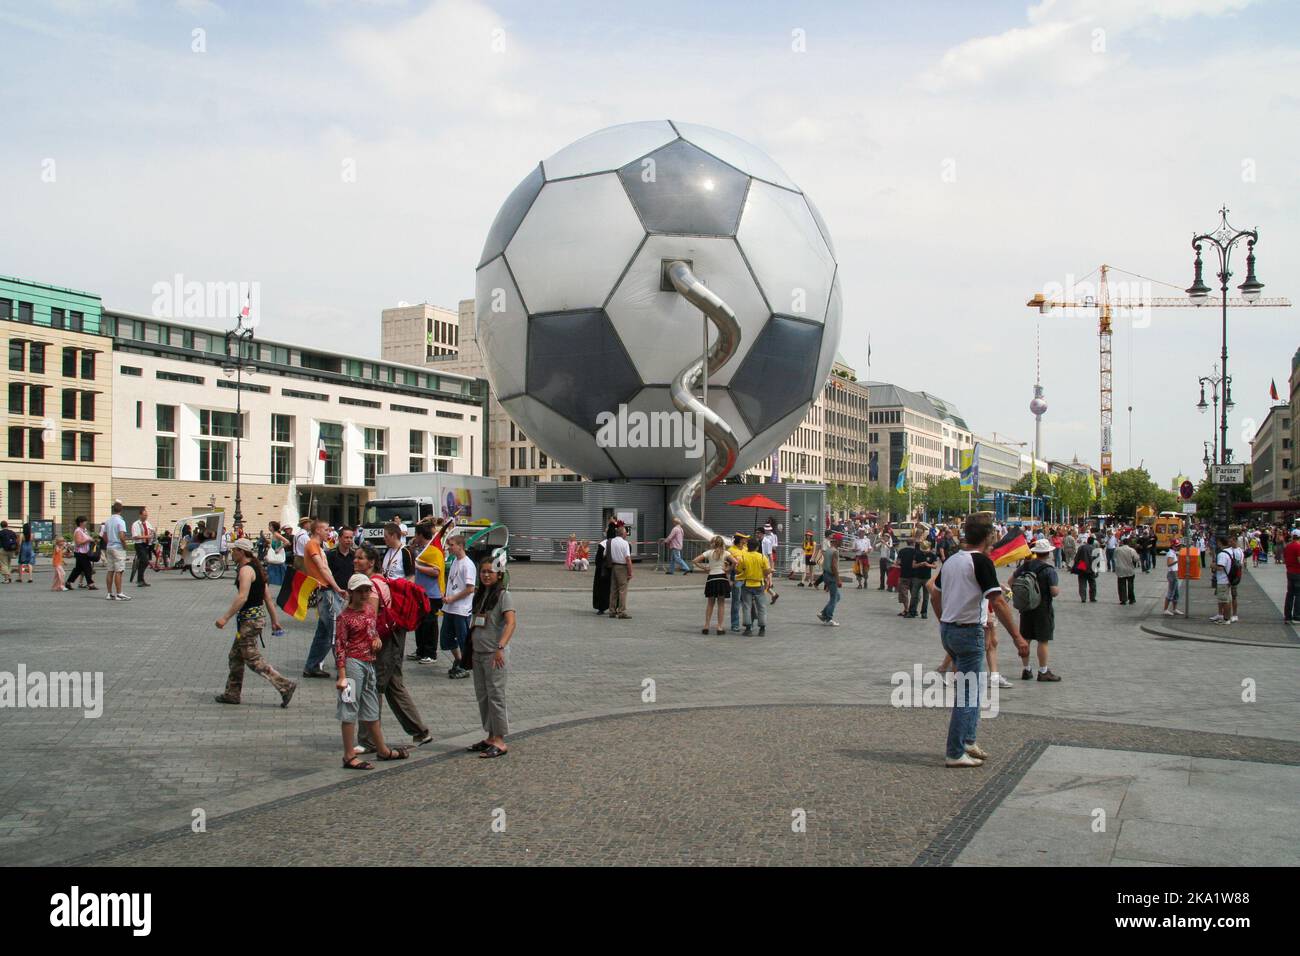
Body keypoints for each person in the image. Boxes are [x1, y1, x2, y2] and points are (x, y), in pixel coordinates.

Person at [928, 517, 1029, 768]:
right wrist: (1017, 637)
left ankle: (968, 740)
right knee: (968, 694)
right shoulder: (980, 561)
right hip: (968, 632)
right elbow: (998, 601)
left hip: (950, 631)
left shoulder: (952, 560)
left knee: (977, 686)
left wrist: (944, 620)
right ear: (988, 537)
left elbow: (934, 593)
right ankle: (954, 751)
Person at [352, 545, 432, 751]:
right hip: (393, 637)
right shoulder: (377, 580)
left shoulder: (371, 584)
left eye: (360, 558)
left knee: (374, 686)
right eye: (355, 558)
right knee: (393, 685)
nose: (356, 561)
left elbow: (369, 619)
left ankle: (368, 740)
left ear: (371, 562)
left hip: (383, 640)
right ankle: (419, 731)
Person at [333, 574, 408, 770]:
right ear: (351, 593)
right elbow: (339, 646)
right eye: (360, 591)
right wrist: (342, 675)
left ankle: (381, 748)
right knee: (349, 707)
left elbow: (372, 633)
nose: (365, 594)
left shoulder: (368, 610)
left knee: (371, 706)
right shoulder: (344, 617)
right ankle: (349, 755)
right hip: (352, 665)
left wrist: (377, 641)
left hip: (369, 663)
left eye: (367, 590)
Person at [213, 539, 296, 708]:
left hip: (249, 621)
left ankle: (285, 685)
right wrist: (274, 620)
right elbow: (267, 597)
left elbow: (242, 597)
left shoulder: (246, 570)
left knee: (252, 659)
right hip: (255, 619)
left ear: (242, 552)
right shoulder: (257, 568)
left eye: (234, 550)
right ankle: (232, 693)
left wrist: (225, 618)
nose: (232, 553)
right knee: (236, 656)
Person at [467, 559, 516, 759]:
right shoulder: (480, 595)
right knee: (483, 695)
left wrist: (500, 646)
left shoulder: (504, 595)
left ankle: (499, 739)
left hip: (494, 653)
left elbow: (511, 623)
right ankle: (489, 735)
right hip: (478, 651)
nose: (486, 575)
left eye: (490, 572)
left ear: (499, 575)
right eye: (483, 572)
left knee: (496, 695)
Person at [301, 519, 349, 678]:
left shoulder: (317, 546)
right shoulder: (312, 545)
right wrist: (336, 587)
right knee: (336, 631)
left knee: (323, 633)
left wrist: (335, 588)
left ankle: (312, 666)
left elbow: (324, 568)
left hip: (326, 591)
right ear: (317, 531)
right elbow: (322, 568)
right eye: (326, 530)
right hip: (325, 591)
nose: (329, 532)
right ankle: (343, 669)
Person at [1011, 539, 1062, 681]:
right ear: (1048, 553)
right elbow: (1054, 592)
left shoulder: (1026, 566)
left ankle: (1026, 669)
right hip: (1042, 608)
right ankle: (1043, 671)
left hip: (1026, 607)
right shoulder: (1049, 570)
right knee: (1042, 640)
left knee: (1025, 639)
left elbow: (1011, 581)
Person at [409, 521, 444, 665]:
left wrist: (417, 566)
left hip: (432, 594)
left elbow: (436, 571)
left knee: (430, 623)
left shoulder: (433, 550)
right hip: (420, 592)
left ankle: (431, 653)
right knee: (420, 623)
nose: (414, 538)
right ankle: (420, 650)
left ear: (419, 534)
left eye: (415, 535)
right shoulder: (421, 549)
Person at [441, 534, 476, 677]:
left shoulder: (468, 564)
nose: (449, 548)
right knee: (446, 638)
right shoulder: (455, 561)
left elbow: (470, 588)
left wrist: (453, 598)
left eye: (452, 545)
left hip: (461, 609)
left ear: (460, 546)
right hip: (450, 607)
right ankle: (459, 660)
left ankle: (465, 666)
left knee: (463, 639)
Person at [692, 535, 737, 635]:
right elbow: (735, 562)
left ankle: (706, 626)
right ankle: (719, 627)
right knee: (721, 604)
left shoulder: (708, 553)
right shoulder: (726, 553)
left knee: (710, 603)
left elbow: (695, 560)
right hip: (721, 578)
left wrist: (704, 568)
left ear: (713, 543)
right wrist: (728, 569)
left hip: (712, 578)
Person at [737, 535, 770, 636]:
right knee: (761, 606)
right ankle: (762, 629)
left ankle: (748, 628)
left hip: (747, 584)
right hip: (759, 584)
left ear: (748, 546)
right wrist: (764, 577)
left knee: (747, 606)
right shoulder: (762, 557)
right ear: (757, 547)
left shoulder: (743, 557)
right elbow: (767, 570)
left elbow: (739, 569)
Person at [102, 501, 131, 601]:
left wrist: (109, 542)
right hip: (118, 547)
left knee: (110, 570)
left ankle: (109, 593)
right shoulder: (121, 521)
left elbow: (104, 535)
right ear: (121, 510)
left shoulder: (108, 521)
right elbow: (122, 536)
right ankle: (119, 593)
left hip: (109, 546)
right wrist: (125, 546)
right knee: (119, 570)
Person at [1211, 532, 1239, 625]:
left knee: (1224, 600)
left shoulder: (1222, 554)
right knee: (1227, 599)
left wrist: (1213, 565)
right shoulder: (1231, 551)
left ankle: (1226, 619)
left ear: (1219, 542)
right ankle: (1227, 617)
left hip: (1223, 580)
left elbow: (1220, 567)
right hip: (1229, 579)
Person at [907, 540, 939, 619]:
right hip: (917, 577)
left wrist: (927, 565)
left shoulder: (932, 555)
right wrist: (920, 564)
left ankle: (924, 613)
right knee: (914, 596)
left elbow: (935, 566)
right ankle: (912, 612)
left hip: (927, 578)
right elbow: (913, 565)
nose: (924, 552)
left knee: (926, 597)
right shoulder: (917, 554)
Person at [607, 520, 633, 619]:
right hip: (622, 567)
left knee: (613, 590)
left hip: (613, 566)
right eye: (626, 533)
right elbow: (628, 558)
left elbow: (606, 554)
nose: (626, 534)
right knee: (622, 590)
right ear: (622, 534)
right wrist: (630, 572)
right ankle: (621, 611)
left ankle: (612, 611)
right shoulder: (625, 543)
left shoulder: (610, 541)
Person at [816, 531, 842, 626]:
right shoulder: (834, 552)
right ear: (837, 541)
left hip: (826, 575)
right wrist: (838, 579)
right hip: (831, 576)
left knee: (837, 596)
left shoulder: (828, 550)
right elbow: (834, 567)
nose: (842, 542)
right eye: (841, 540)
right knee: (834, 598)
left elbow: (825, 565)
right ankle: (828, 618)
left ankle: (823, 613)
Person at [592, 522, 615, 615]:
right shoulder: (619, 543)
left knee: (601, 589)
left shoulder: (602, 544)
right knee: (613, 589)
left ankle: (601, 607)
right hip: (614, 569)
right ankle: (614, 607)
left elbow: (598, 559)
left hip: (603, 570)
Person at [727, 531, 748, 632]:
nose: (746, 540)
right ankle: (735, 624)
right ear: (740, 539)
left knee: (747, 601)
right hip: (736, 577)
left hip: (747, 577)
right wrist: (729, 579)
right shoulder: (731, 550)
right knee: (736, 602)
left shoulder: (747, 549)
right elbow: (727, 565)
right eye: (745, 538)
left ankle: (747, 621)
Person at [130, 507, 154, 587]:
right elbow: (135, 536)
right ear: (140, 515)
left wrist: (152, 535)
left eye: (146, 515)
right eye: (144, 515)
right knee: (145, 561)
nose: (145, 517)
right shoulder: (135, 524)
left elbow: (151, 532)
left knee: (144, 562)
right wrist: (146, 537)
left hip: (147, 545)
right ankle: (140, 579)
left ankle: (141, 579)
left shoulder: (148, 524)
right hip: (139, 545)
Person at [895, 537, 919, 617]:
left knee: (904, 593)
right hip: (915, 575)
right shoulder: (917, 551)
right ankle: (914, 610)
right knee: (914, 593)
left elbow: (898, 562)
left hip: (904, 574)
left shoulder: (902, 551)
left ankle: (906, 609)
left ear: (907, 543)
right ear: (914, 543)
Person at [1162, 537, 1185, 616]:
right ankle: (1165, 609)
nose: (1179, 547)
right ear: (1173, 546)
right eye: (1178, 546)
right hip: (1172, 574)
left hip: (1174, 573)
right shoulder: (1170, 553)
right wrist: (1178, 560)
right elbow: (1169, 564)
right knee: (1171, 592)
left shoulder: (1173, 553)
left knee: (1176, 593)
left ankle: (1174, 609)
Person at [1072, 535, 1098, 603]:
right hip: (1091, 568)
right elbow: (1096, 561)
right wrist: (1096, 570)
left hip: (1082, 566)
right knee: (1092, 583)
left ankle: (1083, 598)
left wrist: (1076, 565)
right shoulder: (1094, 549)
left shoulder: (1081, 547)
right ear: (1092, 542)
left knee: (1082, 583)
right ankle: (1092, 597)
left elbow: (1077, 558)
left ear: (1087, 541)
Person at [1114, 536, 1139, 605]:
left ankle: (1123, 599)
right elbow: (1136, 559)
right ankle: (1131, 599)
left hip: (1120, 569)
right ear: (1128, 543)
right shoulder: (1131, 550)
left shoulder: (1117, 549)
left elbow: (1114, 557)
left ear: (1122, 543)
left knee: (1121, 585)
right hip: (1129, 569)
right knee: (1130, 584)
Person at [1283, 528, 1300, 624]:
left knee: (1290, 594)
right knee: (1298, 595)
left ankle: (1287, 616)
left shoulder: (1288, 547)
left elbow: (1285, 559)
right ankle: (1297, 616)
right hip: (1298, 572)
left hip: (1289, 572)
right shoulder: (1298, 547)